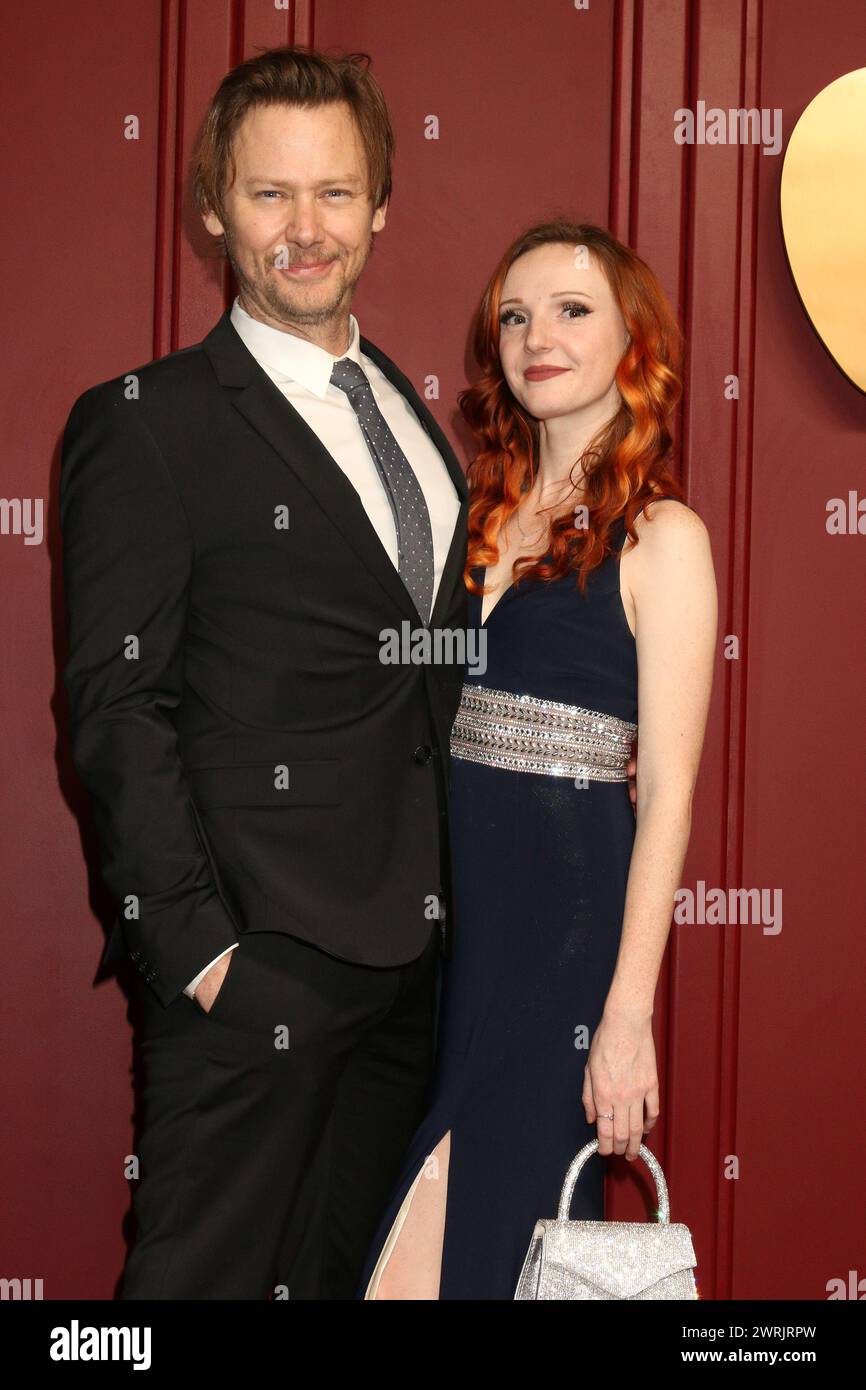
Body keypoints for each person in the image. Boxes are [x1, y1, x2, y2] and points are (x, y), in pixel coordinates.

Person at [60, 45, 469, 1299]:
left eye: (335, 193)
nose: (306, 230)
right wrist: (197, 954)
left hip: (411, 979)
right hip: (252, 973)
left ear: (381, 205)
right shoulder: (147, 420)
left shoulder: (412, 411)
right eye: (269, 195)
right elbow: (113, 708)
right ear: (212, 209)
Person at [359, 221, 718, 1300]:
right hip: (444, 945)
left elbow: (663, 799)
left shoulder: (665, 537)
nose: (534, 335)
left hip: (561, 953)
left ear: (632, 343)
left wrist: (624, 1017)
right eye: (513, 315)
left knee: (472, 1255)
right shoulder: (472, 515)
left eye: (570, 311)